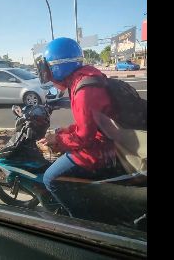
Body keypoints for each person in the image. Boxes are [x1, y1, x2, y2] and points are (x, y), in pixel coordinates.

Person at [36, 37, 116, 216]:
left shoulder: (83, 90)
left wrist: (57, 140)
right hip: (107, 138)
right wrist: (64, 132)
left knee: (50, 178)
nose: (46, 72)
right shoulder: (86, 77)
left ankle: (80, 222)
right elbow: (88, 122)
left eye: (48, 67)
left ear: (58, 66)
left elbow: (85, 137)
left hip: (101, 149)